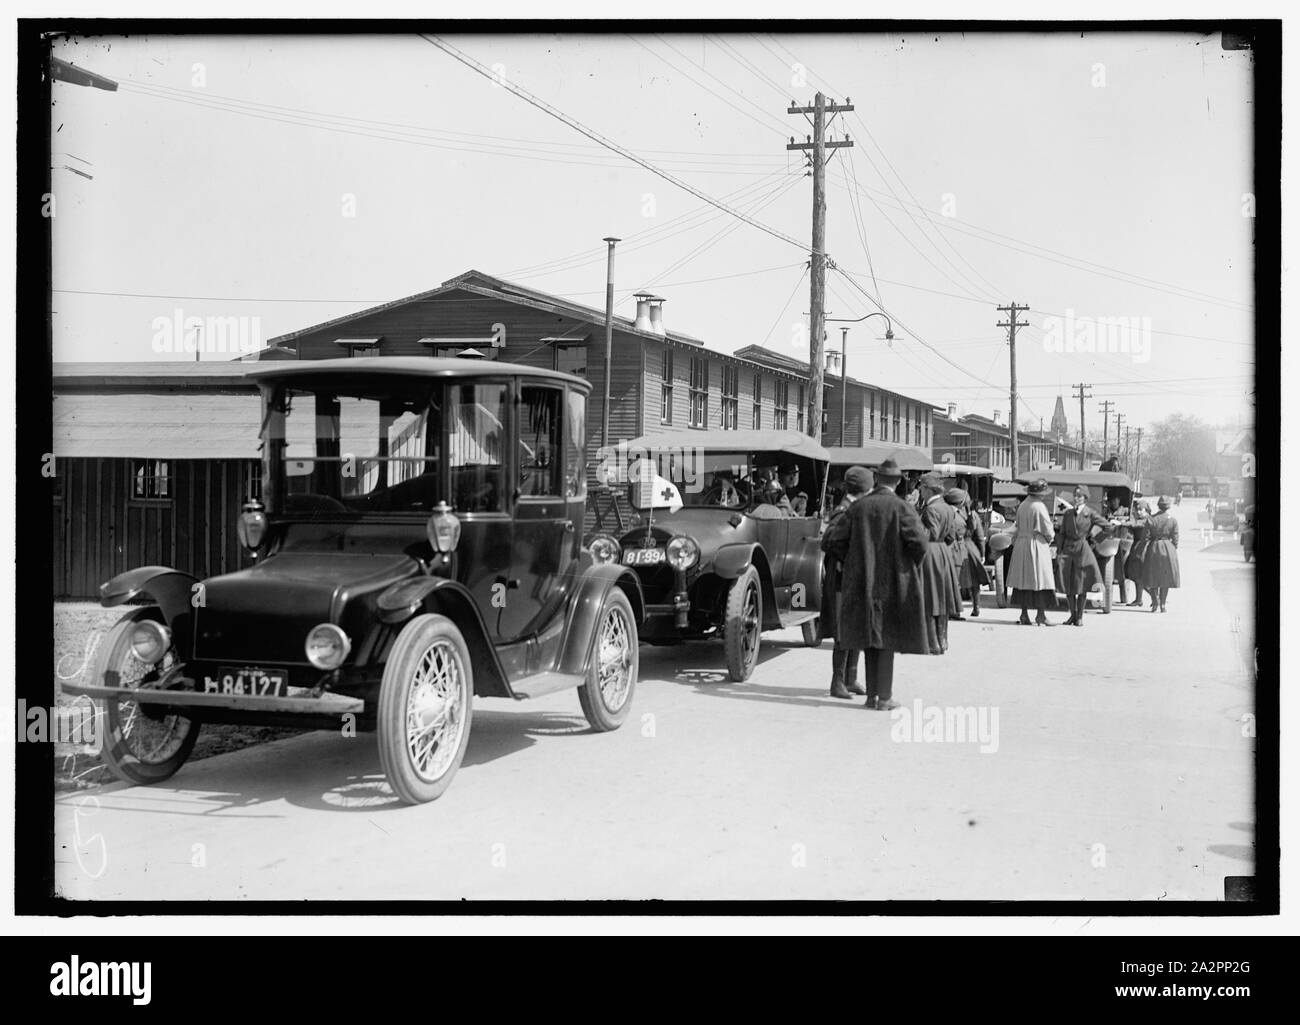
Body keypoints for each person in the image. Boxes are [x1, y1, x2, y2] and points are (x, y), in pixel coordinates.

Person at [831, 458, 933, 711]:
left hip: (861, 581)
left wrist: (852, 561)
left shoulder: (858, 508)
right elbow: (920, 543)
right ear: (898, 481)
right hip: (894, 582)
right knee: (886, 637)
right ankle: (884, 697)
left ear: (876, 478)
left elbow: (833, 541)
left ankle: (871, 695)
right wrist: (909, 568)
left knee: (869, 636)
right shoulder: (901, 508)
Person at [820, 465, 871, 700]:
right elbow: (828, 542)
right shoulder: (844, 511)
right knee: (843, 630)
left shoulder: (855, 508)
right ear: (863, 488)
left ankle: (850, 678)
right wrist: (848, 559)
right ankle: (837, 682)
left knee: (856, 626)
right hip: (842, 578)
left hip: (853, 577)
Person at [916, 474, 961, 649]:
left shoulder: (931, 509)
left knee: (930, 596)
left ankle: (932, 642)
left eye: (922, 488)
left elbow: (931, 534)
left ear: (928, 489)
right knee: (942, 597)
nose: (920, 491)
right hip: (944, 552)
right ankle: (943, 640)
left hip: (931, 553)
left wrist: (916, 528)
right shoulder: (948, 508)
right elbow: (951, 536)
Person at [1007, 478, 1058, 626]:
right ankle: (1040, 615)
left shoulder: (1022, 505)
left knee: (1023, 581)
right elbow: (1047, 529)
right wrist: (1050, 538)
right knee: (1040, 580)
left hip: (1022, 544)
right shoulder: (1039, 507)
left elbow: (1016, 526)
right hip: (1036, 544)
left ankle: (1024, 614)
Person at [1057, 485, 1107, 626]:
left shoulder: (1090, 513)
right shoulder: (1067, 514)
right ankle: (1072, 615)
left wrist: (1094, 540)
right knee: (1068, 585)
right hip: (1067, 551)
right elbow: (1061, 533)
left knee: (1082, 585)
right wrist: (1059, 550)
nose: (1076, 498)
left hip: (1082, 551)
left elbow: (1108, 527)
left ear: (1085, 498)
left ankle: (1079, 617)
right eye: (1075, 495)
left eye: (1079, 496)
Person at [946, 488, 989, 618]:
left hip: (956, 547)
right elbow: (980, 537)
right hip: (971, 548)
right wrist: (982, 553)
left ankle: (955, 610)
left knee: (957, 579)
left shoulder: (951, 513)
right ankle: (976, 606)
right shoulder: (973, 515)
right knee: (974, 579)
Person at [1142, 496, 1181, 612]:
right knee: (1166, 577)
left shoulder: (1151, 519)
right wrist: (1172, 548)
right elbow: (1176, 539)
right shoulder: (1172, 520)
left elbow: (1145, 537)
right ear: (1168, 507)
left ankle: (1155, 602)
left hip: (1154, 547)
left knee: (1153, 576)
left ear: (1158, 506)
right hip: (1168, 549)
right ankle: (1163, 605)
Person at [1105, 492, 1135, 605]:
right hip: (1110, 540)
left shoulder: (1126, 510)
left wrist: (1123, 522)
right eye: (1111, 501)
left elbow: (1133, 521)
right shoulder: (1106, 510)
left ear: (1118, 500)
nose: (1113, 502)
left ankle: (1124, 596)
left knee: (1121, 567)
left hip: (1124, 540)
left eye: (1115, 500)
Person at [1124, 500, 1154, 607]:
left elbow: (1135, 524)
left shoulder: (1147, 520)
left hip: (1143, 549)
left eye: (1141, 510)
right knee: (1136, 576)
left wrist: (1122, 523)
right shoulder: (1141, 519)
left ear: (1147, 510)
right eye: (1137, 510)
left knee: (1141, 576)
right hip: (1137, 548)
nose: (1139, 512)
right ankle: (1138, 599)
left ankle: (1156, 597)